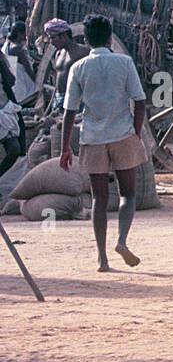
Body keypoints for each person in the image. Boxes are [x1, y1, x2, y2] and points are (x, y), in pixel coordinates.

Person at [59, 14, 149, 272]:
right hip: (122, 134)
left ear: (86, 40)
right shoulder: (124, 62)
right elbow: (139, 100)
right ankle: (121, 241)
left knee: (99, 198)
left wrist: (66, 148)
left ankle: (102, 258)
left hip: (92, 137)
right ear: (110, 38)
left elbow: (70, 112)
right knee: (128, 194)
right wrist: (136, 132)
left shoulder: (78, 68)